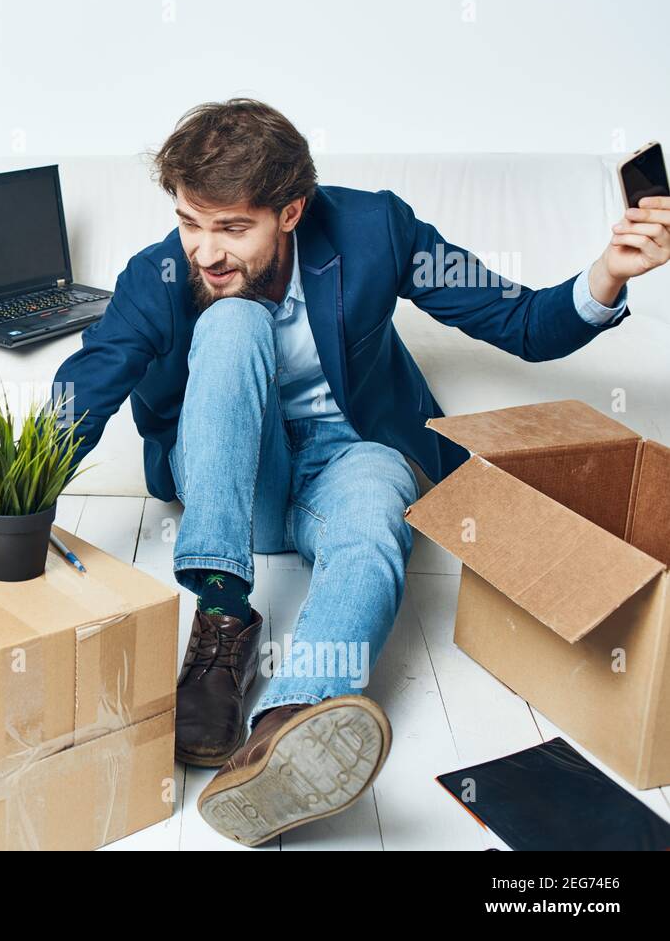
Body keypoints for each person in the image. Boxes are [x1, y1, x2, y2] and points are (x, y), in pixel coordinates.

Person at [49, 98, 669, 845]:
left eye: (233, 227)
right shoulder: (158, 276)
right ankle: (220, 621)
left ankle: (286, 725)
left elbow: (524, 322)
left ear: (291, 210)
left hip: (347, 461)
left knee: (379, 500)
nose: (206, 252)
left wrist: (608, 274)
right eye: (190, 222)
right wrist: (1, 500)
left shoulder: (375, 231)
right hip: (240, 482)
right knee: (232, 319)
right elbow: (88, 385)